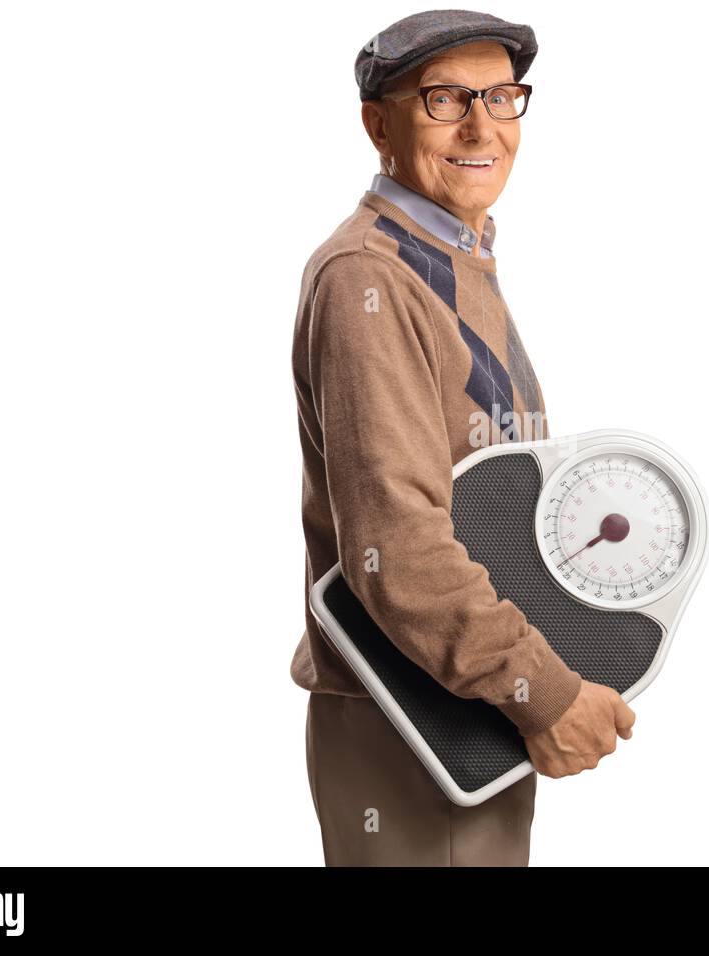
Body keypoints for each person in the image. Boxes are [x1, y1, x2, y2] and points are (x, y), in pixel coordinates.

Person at [291, 10, 635, 866]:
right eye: (446, 98)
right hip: (409, 718)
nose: (483, 125)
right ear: (379, 124)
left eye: (504, 96)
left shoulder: (451, 257)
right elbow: (398, 547)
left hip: (466, 712)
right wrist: (546, 692)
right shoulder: (371, 278)